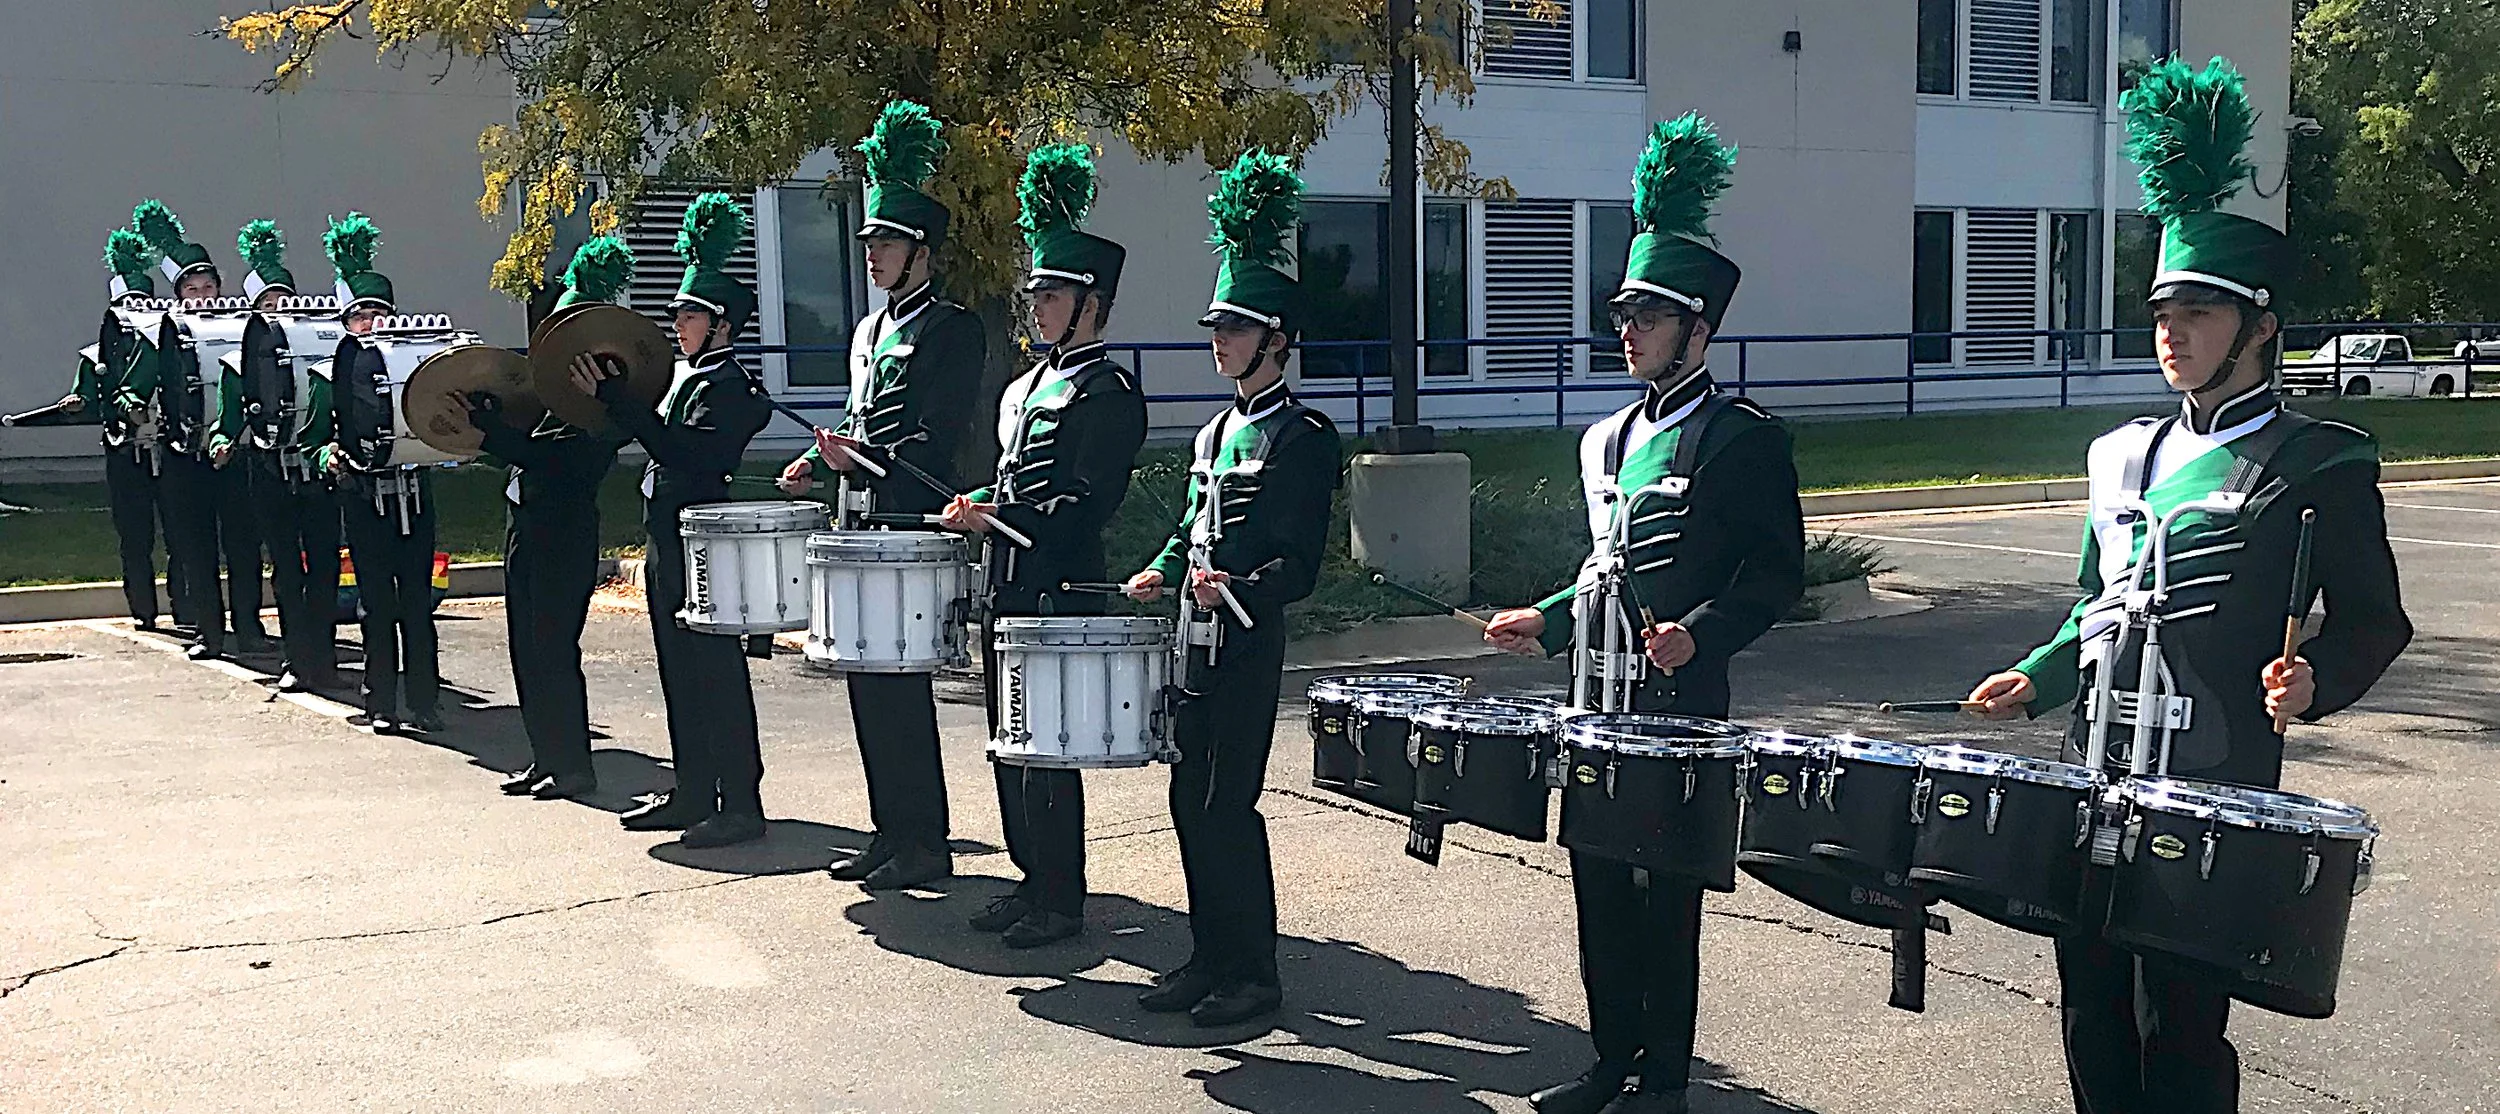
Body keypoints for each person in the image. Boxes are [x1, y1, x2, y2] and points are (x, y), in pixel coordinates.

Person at [1962, 58, 2410, 1114]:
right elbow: (2093, 602)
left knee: (2182, 1027)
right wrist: (2034, 677)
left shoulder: (2321, 460)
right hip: (2095, 768)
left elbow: (2377, 620)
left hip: (2214, 776)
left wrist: (2317, 685)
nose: (2172, 331)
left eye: (2200, 312)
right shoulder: (2116, 454)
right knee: (2089, 1008)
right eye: (2163, 310)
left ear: (2258, 326)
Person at [1481, 114, 1804, 1114]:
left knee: (1663, 901)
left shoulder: (1742, 435)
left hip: (1679, 698)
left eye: (1648, 316)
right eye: (1622, 313)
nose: (1626, 330)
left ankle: (1663, 1077)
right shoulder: (1605, 439)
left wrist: (1701, 629)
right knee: (1595, 893)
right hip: (1595, 701)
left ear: (1699, 329)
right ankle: (1608, 1059)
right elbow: (1602, 570)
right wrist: (1545, 617)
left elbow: (1774, 573)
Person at [1120, 149, 1338, 1028]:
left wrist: (1233, 588)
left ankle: (1254, 973)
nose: (1220, 341)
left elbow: (1300, 561)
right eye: (1217, 326)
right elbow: (1190, 525)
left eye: (1237, 328)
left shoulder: (1304, 435)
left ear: (1277, 339)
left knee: (1227, 804)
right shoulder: (1214, 430)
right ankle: (1207, 957)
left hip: (1246, 642)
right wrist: (1165, 570)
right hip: (1192, 642)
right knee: (1185, 798)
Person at [939, 143, 1146, 947]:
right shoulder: (1031, 386)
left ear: (1094, 303)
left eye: (1054, 295)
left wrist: (1000, 517)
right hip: (1008, 579)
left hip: (1057, 583)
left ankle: (1062, 896)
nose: (1038, 307)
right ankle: (1031, 880)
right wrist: (986, 506)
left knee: (1047, 744)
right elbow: (1018, 480)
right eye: (1035, 294)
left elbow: (1084, 502)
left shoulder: (1108, 389)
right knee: (1006, 737)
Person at [776, 101, 987, 889]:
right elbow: (860, 418)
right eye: (868, 242)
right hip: (856, 517)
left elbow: (934, 436)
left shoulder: (952, 329)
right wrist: (815, 456)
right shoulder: (872, 331)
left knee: (901, 690)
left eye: (887, 243)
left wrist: (860, 461)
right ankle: (888, 832)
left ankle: (925, 840)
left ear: (921, 253)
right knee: (865, 687)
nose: (872, 255)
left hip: (902, 518)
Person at [582, 193, 773, 848]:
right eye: (678, 313)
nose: (678, 323)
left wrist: (629, 408)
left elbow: (689, 452)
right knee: (676, 667)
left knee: (715, 670)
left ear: (721, 324)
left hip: (706, 539)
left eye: (690, 314)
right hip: (667, 534)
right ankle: (694, 787)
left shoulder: (735, 390)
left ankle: (740, 800)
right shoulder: (685, 376)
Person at [462, 236, 630, 802]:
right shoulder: (552, 401)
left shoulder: (603, 406)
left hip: (564, 534)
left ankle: (574, 765)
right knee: (526, 648)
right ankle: (545, 756)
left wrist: (495, 437)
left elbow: (557, 460)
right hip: (527, 528)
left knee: (554, 649)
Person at [315, 213, 444, 735]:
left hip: (414, 492)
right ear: (346, 322)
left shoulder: (415, 365)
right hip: (365, 495)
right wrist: (332, 458)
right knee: (376, 602)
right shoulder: (334, 371)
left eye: (378, 312)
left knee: (418, 602)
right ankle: (381, 698)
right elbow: (315, 438)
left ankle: (425, 699)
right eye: (361, 314)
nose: (371, 321)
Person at [5, 227, 170, 630]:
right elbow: (85, 395)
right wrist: (76, 402)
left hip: (165, 449)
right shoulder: (96, 354)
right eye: (127, 302)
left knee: (179, 535)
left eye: (142, 302)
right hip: (124, 450)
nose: (134, 308)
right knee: (135, 536)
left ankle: (183, 605)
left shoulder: (169, 345)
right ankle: (143, 609)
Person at [210, 219, 343, 691]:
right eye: (267, 304)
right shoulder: (240, 360)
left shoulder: (320, 350)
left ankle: (324, 657)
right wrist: (222, 442)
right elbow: (227, 419)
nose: (278, 309)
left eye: (284, 300)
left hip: (316, 471)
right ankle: (296, 659)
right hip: (271, 470)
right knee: (286, 569)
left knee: (325, 563)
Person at [138, 200, 271, 660]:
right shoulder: (161, 332)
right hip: (183, 452)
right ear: (178, 295)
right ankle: (208, 634)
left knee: (242, 545)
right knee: (196, 548)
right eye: (190, 289)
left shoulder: (242, 326)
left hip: (235, 452)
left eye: (207, 286)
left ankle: (250, 627)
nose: (201, 295)